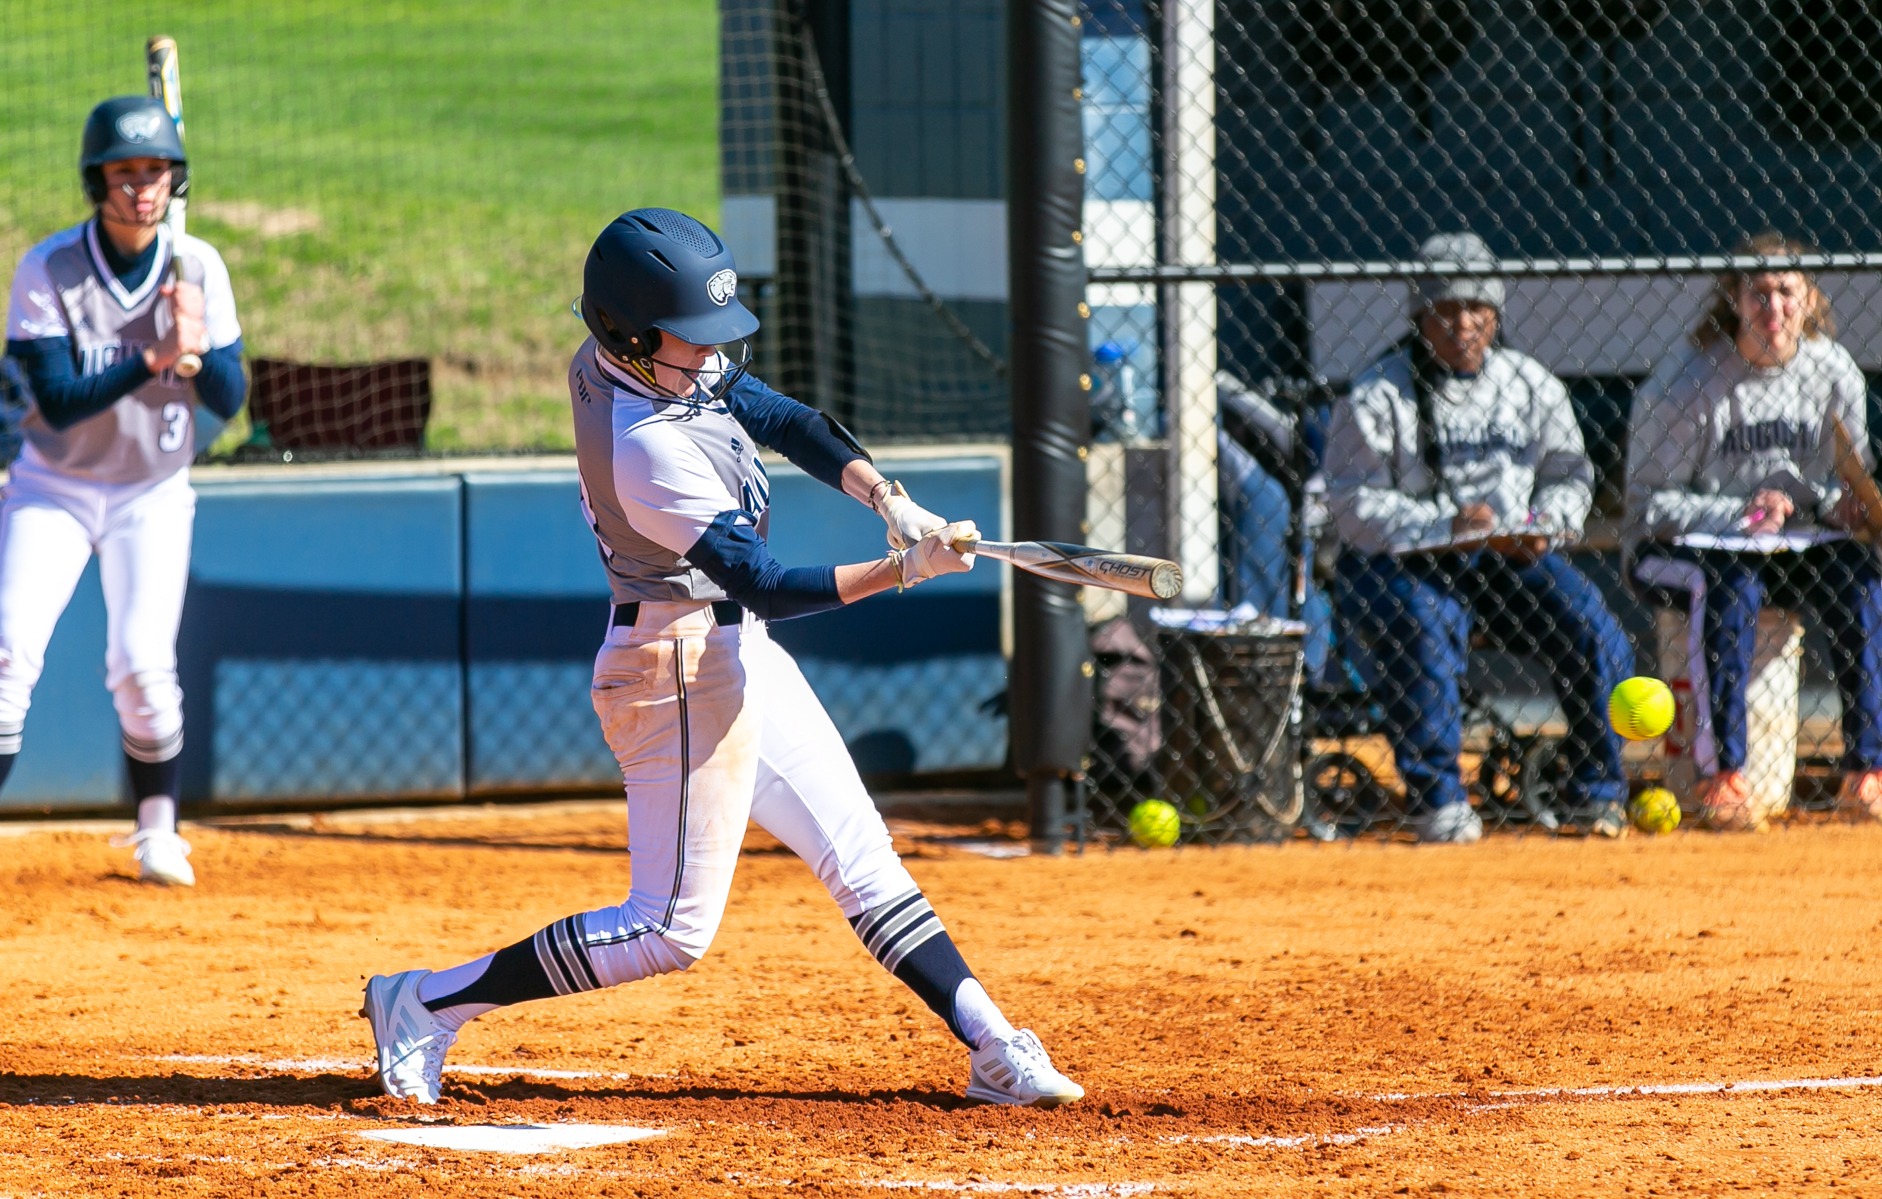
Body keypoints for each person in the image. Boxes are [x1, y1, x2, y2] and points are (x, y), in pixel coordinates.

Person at [360, 208, 1083, 1109]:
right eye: (686, 338)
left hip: (733, 649)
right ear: (627, 334)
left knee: (862, 857)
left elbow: (781, 413)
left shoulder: (636, 363)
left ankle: (990, 1042)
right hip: (675, 671)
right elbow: (766, 581)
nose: (708, 356)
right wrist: (906, 568)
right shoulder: (644, 446)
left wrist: (890, 499)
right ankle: (424, 1001)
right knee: (667, 929)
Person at [0, 96, 245, 885]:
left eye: (157, 171)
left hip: (153, 490)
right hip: (52, 484)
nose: (143, 187)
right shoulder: (48, 267)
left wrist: (198, 350)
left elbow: (233, 398)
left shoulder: (197, 265)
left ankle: (157, 833)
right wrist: (152, 355)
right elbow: (60, 397)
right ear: (96, 181)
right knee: (8, 654)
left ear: (176, 179)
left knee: (142, 663)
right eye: (125, 171)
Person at [1324, 232, 1633, 843]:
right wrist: (1447, 526)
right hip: (1406, 564)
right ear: (1420, 316)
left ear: (1496, 314)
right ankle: (1439, 800)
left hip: (1507, 561)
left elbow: (1570, 475)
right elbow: (1354, 508)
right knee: (1421, 623)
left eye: (1477, 309)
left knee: (1590, 624)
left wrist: (1544, 526)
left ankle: (1596, 790)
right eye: (1445, 309)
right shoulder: (1378, 393)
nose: (1463, 323)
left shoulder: (1528, 382)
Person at [1624, 231, 1882, 831]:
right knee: (1729, 586)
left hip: (1795, 543)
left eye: (1786, 292)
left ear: (1810, 298)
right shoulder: (1686, 384)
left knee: (1860, 578)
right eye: (1757, 293)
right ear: (1733, 300)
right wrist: (1738, 513)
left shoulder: (1833, 373)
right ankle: (1724, 777)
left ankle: (1867, 771)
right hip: (1682, 549)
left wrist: (1837, 507)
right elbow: (1645, 505)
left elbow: (1845, 484)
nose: (1773, 309)